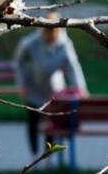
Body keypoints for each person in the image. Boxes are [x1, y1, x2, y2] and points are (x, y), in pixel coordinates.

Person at [14, 27, 87, 155]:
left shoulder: (64, 44)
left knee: (51, 122)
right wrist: (21, 84)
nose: (51, 37)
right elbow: (19, 63)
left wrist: (80, 87)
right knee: (33, 120)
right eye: (48, 34)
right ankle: (34, 153)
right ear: (43, 32)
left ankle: (48, 155)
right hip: (33, 87)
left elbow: (73, 66)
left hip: (54, 89)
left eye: (54, 34)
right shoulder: (30, 43)